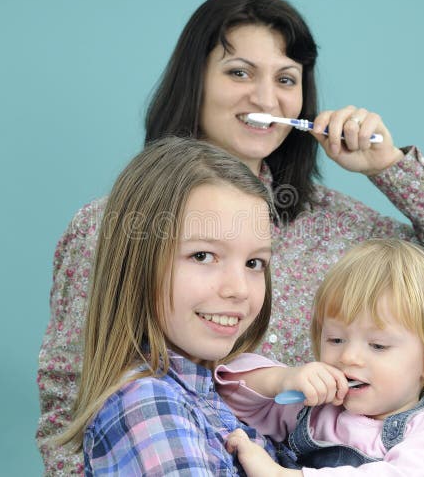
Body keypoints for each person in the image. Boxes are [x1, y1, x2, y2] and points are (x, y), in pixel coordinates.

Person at [37, 0, 424, 474]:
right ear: (194, 82)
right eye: (239, 72)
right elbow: (69, 401)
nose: (266, 97)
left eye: (286, 79)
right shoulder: (117, 221)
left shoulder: (330, 222)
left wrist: (390, 168)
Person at [58, 136, 282, 474]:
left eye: (254, 263)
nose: (238, 289)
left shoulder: (221, 397)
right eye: (203, 256)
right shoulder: (147, 405)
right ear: (137, 263)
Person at [220, 239, 424, 475]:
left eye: (378, 345)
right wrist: (283, 379)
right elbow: (223, 393)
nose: (349, 356)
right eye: (336, 340)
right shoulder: (313, 411)